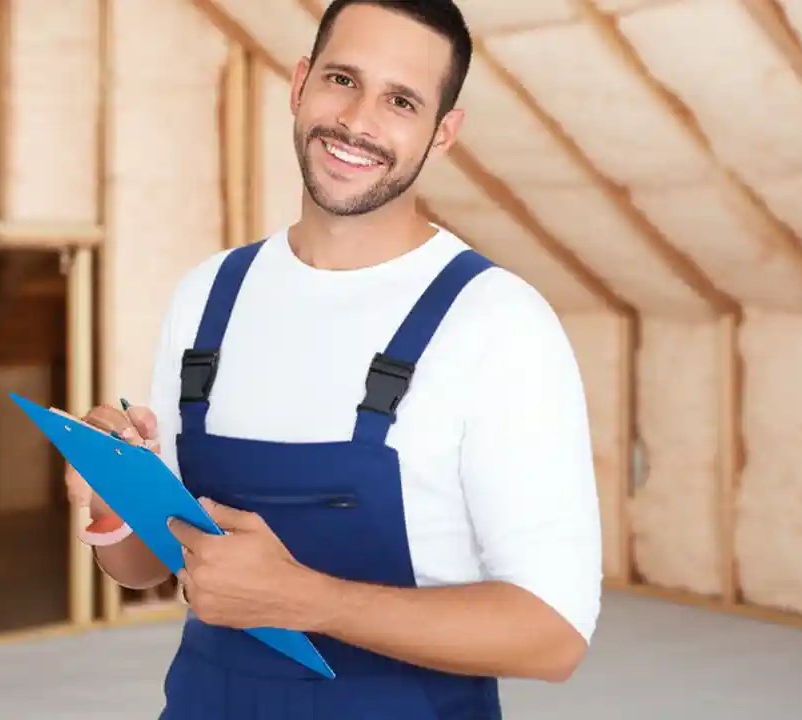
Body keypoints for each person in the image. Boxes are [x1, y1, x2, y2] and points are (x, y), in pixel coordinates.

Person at [65, 1, 602, 717]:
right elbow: (147, 568)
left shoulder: (496, 323)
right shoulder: (208, 296)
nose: (356, 120)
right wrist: (112, 505)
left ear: (442, 134)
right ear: (300, 84)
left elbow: (553, 636)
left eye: (401, 101)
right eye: (342, 79)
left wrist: (308, 600)